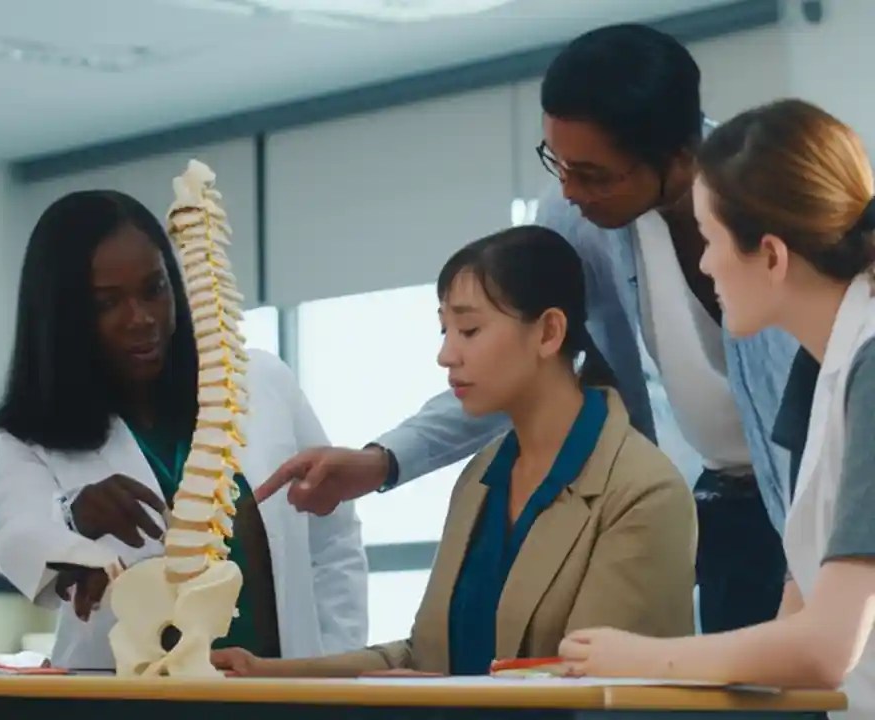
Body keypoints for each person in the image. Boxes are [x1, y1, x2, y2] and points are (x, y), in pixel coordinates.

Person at [257, 22, 798, 635]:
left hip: (818, 504)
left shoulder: (774, 201)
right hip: (723, 504)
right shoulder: (578, 219)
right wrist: (386, 461)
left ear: (679, 156)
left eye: (593, 173)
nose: (569, 189)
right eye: (557, 162)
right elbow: (523, 364)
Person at [214, 226, 695, 678]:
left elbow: (592, 683)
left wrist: (440, 698)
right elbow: (428, 654)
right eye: (444, 331)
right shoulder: (483, 476)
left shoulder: (643, 493)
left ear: (549, 333)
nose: (447, 355)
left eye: (468, 331)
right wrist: (267, 670)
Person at [560, 99, 875, 716]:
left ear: (773, 256)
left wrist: (638, 656)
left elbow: (824, 649)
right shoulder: (819, 370)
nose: (702, 264)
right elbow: (798, 618)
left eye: (709, 240)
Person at [0, 190, 368, 670]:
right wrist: (73, 519)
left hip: (283, 690)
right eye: (107, 303)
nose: (141, 318)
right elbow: (18, 535)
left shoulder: (261, 381)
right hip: (128, 696)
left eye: (155, 289)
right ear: (62, 316)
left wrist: (333, 662)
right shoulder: (34, 435)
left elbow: (332, 538)